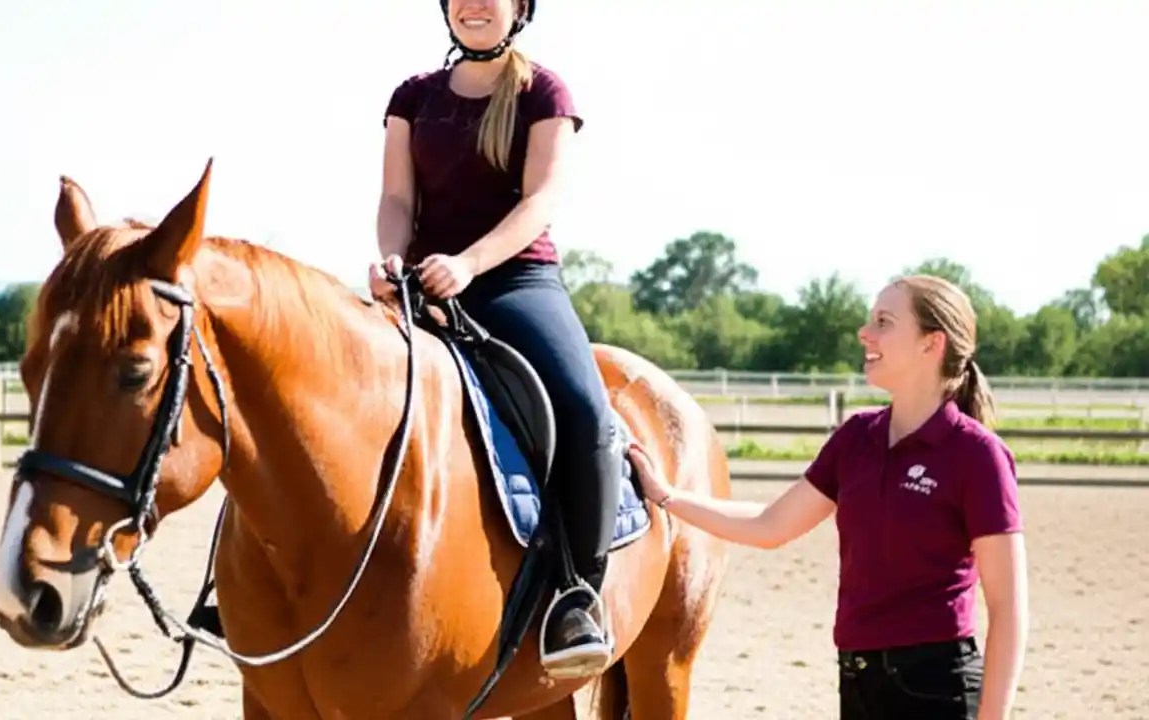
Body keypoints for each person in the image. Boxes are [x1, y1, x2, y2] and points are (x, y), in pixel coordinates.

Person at [630, 275, 1029, 719]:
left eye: (884, 321)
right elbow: (770, 525)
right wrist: (667, 497)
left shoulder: (977, 455)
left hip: (938, 688)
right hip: (857, 681)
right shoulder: (857, 438)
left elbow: (1008, 607)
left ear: (931, 344)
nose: (865, 332)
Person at [366, 0, 622, 678]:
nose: (474, 5)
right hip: (420, 280)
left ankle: (577, 593)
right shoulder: (412, 97)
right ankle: (232, 582)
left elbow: (539, 199)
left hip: (514, 282)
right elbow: (397, 200)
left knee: (586, 412)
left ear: (521, 8)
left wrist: (470, 264)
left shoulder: (545, 91)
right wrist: (393, 260)